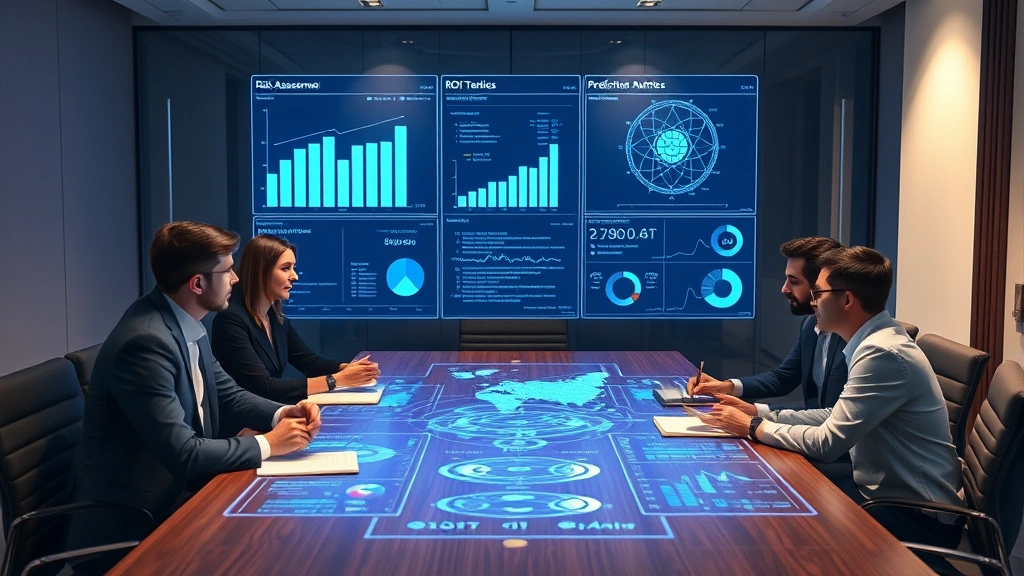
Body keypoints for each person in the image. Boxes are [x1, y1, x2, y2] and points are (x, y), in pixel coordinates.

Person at [67, 222, 321, 572]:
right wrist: (269, 444)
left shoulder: (187, 323)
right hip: (136, 522)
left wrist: (283, 414)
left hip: (179, 496)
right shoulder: (146, 343)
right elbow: (184, 453)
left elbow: (228, 393)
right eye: (228, 270)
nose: (235, 278)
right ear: (197, 284)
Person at [699, 246, 964, 548]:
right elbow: (835, 414)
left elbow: (828, 443)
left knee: (782, 517)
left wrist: (752, 426)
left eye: (819, 294)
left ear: (847, 300)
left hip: (916, 514)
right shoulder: (871, 343)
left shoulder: (881, 354)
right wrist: (761, 415)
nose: (812, 303)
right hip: (882, 491)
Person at [211, 234, 380, 410]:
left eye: (293, 268)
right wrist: (336, 380)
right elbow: (264, 386)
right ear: (260, 271)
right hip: (245, 424)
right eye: (285, 268)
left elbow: (310, 363)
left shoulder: (275, 318)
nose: (295, 276)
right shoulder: (230, 321)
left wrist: (348, 368)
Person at [688, 236, 847, 415]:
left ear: (821, 285)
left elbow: (832, 415)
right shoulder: (811, 324)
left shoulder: (851, 335)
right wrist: (726, 387)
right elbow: (784, 378)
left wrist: (755, 411)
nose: (784, 289)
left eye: (794, 281)